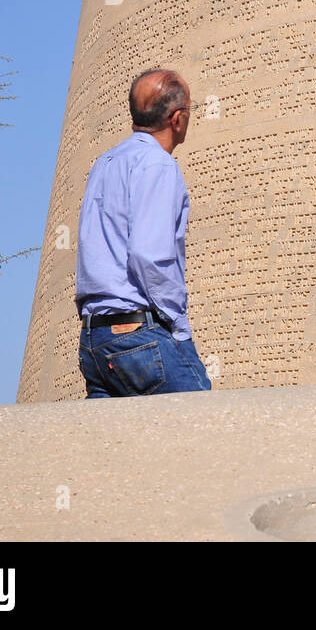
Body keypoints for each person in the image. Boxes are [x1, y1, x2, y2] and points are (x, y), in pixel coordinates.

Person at [74, 68, 212, 397]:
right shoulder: (158, 165)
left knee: (119, 445)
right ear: (177, 118)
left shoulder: (105, 163)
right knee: (206, 430)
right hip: (138, 337)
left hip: (94, 342)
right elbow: (148, 255)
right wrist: (177, 326)